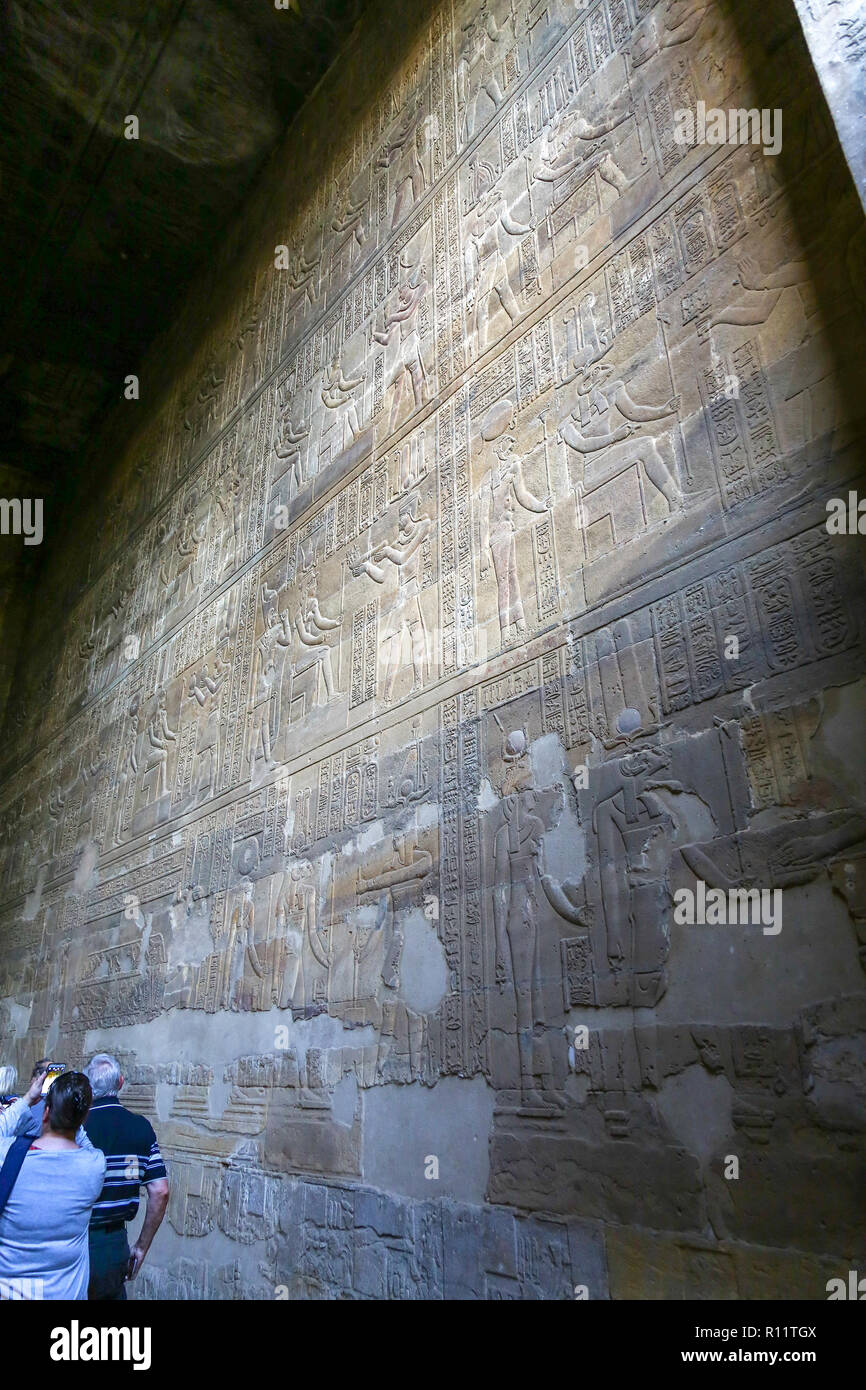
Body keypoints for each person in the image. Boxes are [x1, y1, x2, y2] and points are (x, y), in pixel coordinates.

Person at [0, 1069, 106, 1299]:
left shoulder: (7, 1155)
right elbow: (81, 1138)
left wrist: (28, 1098)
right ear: (84, 1118)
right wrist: (74, 1113)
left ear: (45, 1112)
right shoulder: (94, 1165)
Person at [83, 1054, 169, 1300]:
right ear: (120, 1082)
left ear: (88, 1086)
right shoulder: (140, 1127)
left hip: (76, 1239)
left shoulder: (76, 1126)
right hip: (115, 1243)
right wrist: (141, 1247)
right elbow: (160, 1191)